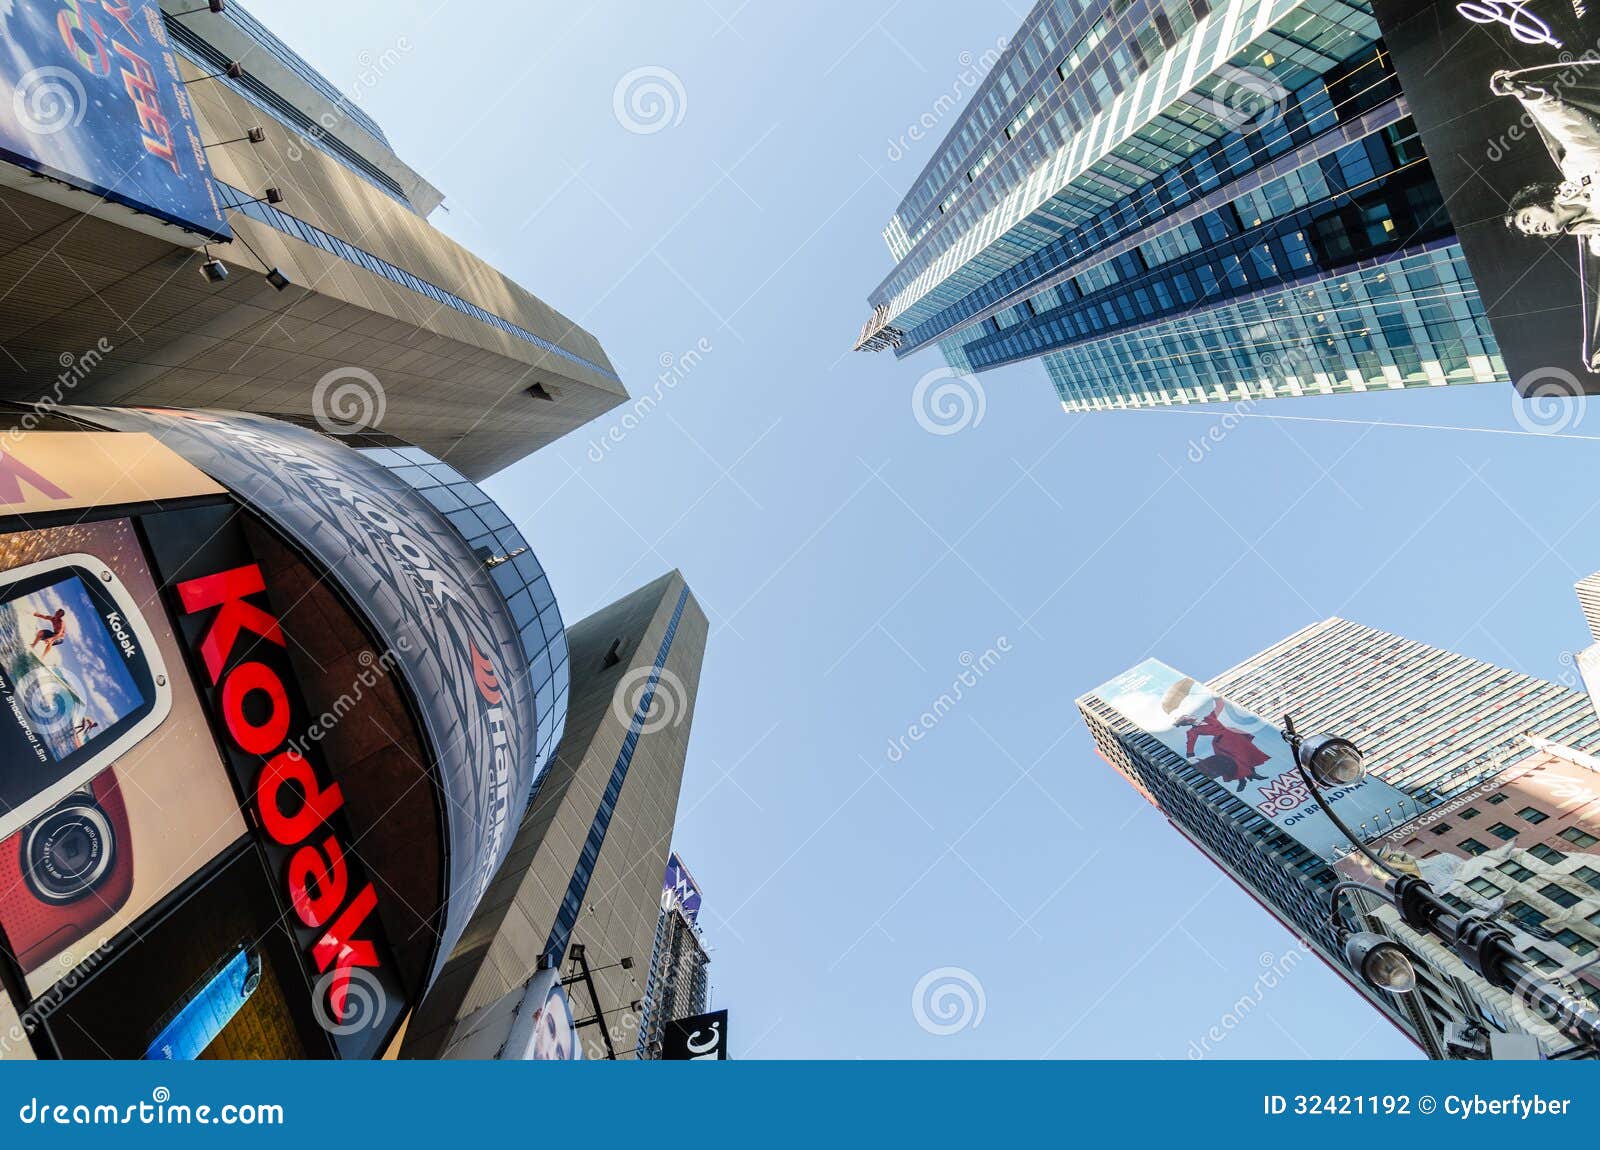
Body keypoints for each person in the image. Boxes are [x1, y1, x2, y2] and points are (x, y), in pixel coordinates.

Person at [1494, 63, 1600, 370]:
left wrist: (1525, 93)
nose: (1535, 229)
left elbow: (1568, 125)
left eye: (1527, 220)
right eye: (1533, 234)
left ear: (1534, 200)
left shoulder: (1576, 168)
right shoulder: (1594, 240)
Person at [1174, 698, 1271, 793]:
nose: (1190, 715)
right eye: (1187, 716)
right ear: (1187, 722)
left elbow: (1219, 706)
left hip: (1235, 736)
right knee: (1236, 760)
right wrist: (1190, 756)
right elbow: (1190, 743)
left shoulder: (1209, 718)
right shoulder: (1193, 731)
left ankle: (1252, 774)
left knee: (1247, 755)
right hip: (1223, 743)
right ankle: (1242, 780)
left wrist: (1216, 698)